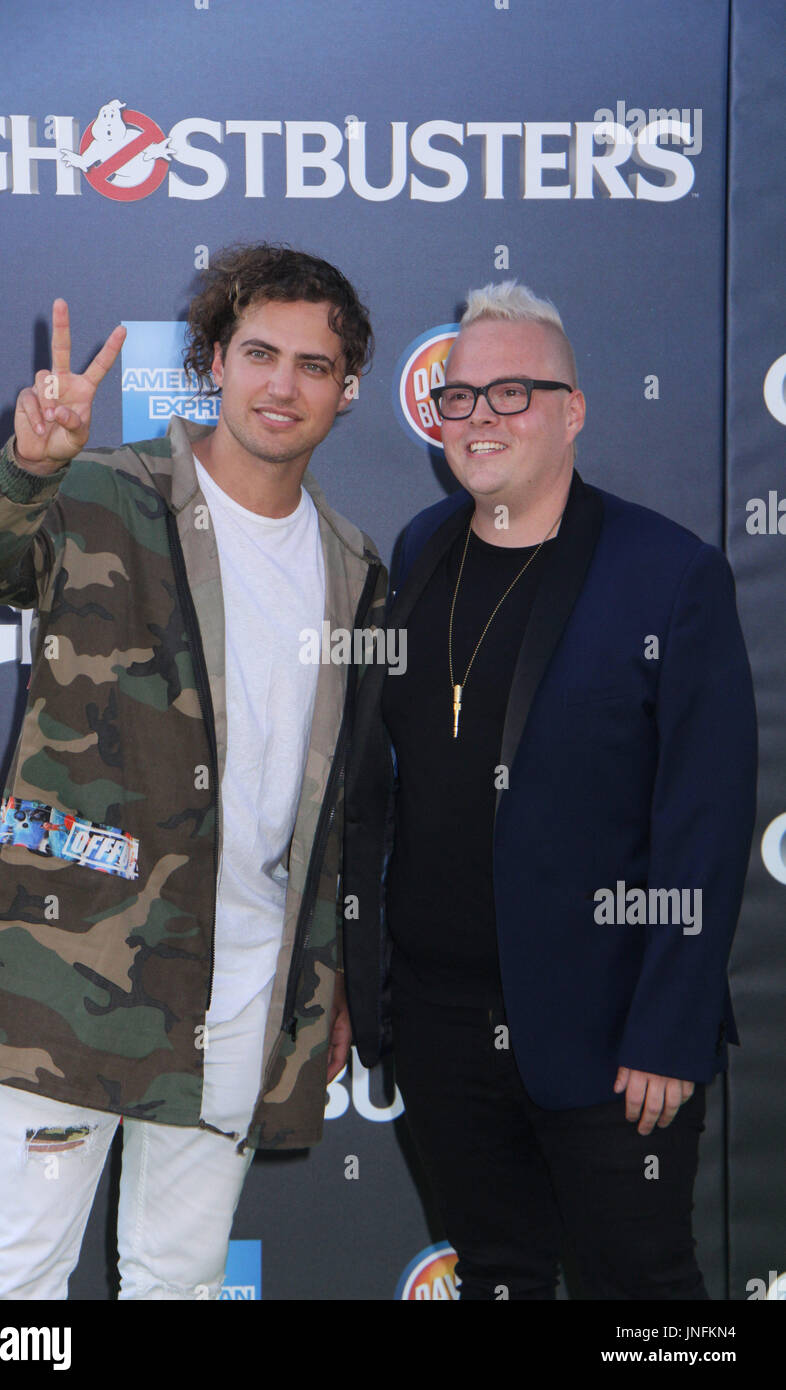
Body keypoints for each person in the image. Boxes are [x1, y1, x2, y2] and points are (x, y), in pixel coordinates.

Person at [0, 244, 386, 1300]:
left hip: (243, 988)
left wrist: (324, 981)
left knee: (178, 1281)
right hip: (64, 970)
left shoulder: (353, 564)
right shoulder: (103, 488)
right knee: (14, 1285)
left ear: (345, 390)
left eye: (313, 365)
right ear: (213, 362)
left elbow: (336, 801)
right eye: (260, 353)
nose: (283, 385)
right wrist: (29, 464)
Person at [342, 280, 757, 1300]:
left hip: (612, 1035)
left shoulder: (667, 573)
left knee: (644, 1288)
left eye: (513, 393)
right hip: (439, 1025)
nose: (480, 417)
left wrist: (666, 1028)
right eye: (459, 395)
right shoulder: (419, 549)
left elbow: (701, 822)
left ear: (571, 410)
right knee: (495, 1276)